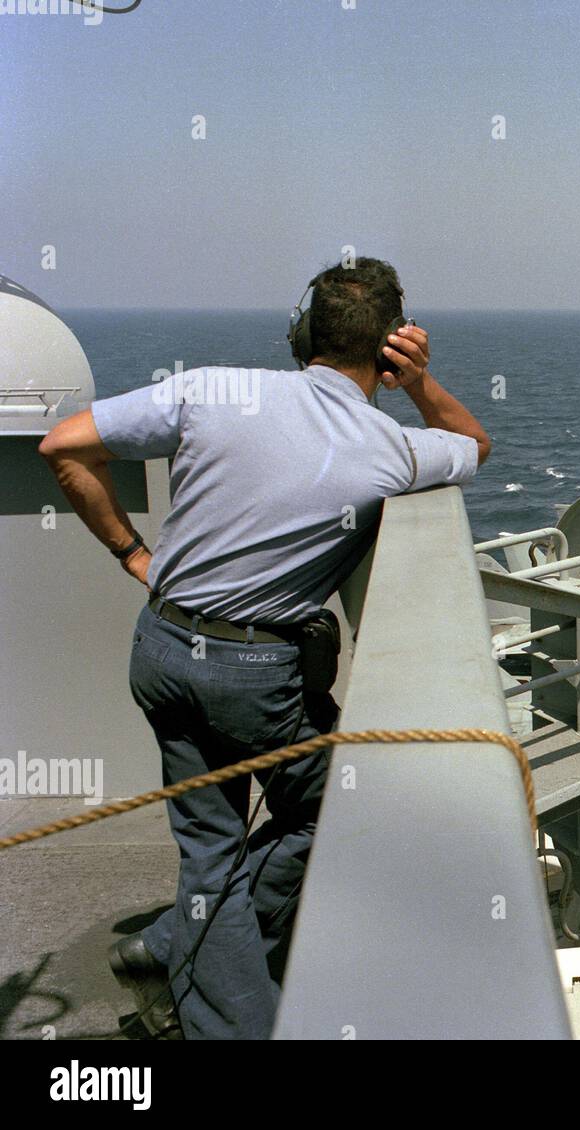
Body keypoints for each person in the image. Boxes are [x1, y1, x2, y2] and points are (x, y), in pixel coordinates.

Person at [38, 258, 490, 1040]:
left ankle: (187, 952)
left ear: (300, 333)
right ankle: (210, 984)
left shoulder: (211, 387)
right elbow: (474, 445)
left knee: (209, 857)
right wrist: (418, 385)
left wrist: (132, 557)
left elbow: (64, 447)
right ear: (387, 352)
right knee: (348, 805)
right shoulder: (390, 447)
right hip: (256, 678)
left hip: (162, 647)